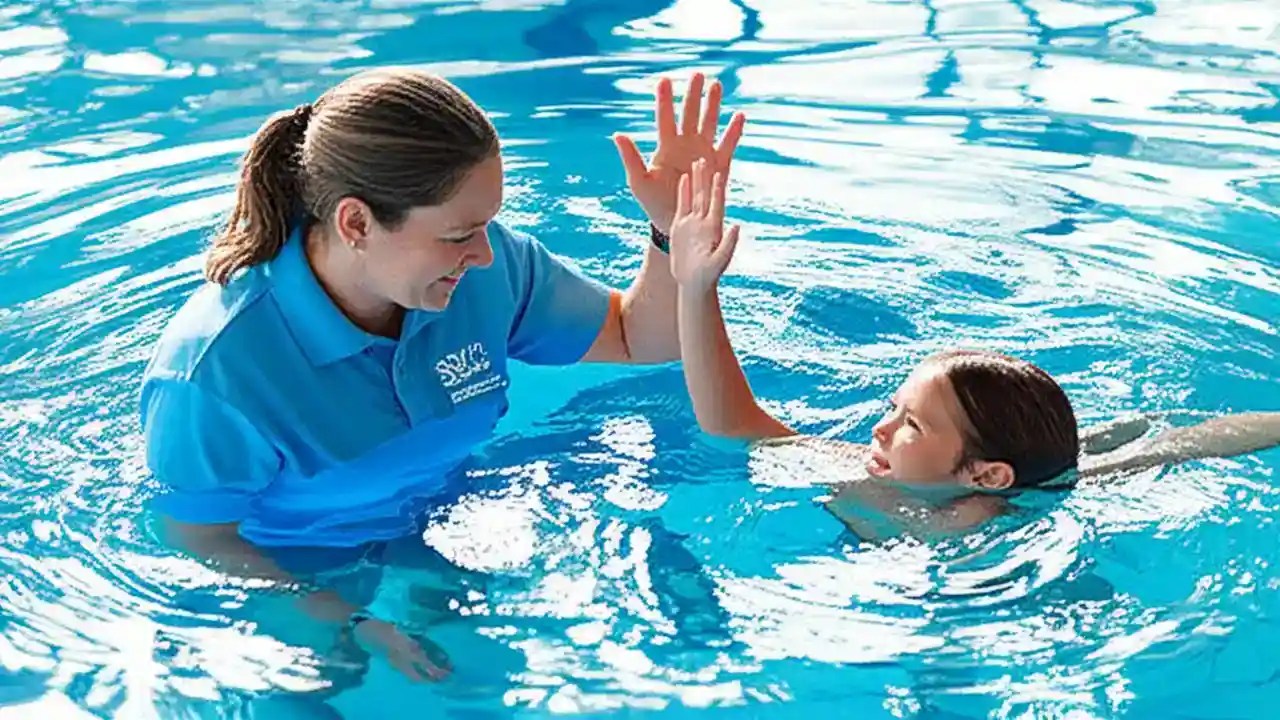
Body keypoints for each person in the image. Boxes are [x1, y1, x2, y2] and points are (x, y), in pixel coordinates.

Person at [139, 67, 745, 681]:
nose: (484, 253)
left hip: (436, 525)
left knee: (487, 681)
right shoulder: (214, 374)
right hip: (297, 565)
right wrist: (345, 620)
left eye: (486, 226)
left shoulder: (481, 269)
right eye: (459, 234)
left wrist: (670, 234)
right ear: (356, 224)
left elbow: (639, 338)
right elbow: (200, 539)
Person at [665, 157, 1280, 540]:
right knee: (1120, 451)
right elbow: (736, 426)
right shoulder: (873, 471)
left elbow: (1197, 443)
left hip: (1038, 488)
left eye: (910, 423)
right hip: (1026, 466)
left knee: (1121, 462)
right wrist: (694, 287)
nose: (879, 429)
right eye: (896, 409)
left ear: (984, 474)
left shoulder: (977, 521)